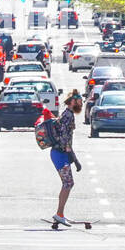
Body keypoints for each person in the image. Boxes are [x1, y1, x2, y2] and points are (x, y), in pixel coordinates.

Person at [45, 89, 84, 227]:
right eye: (79, 99)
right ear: (73, 101)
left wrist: (73, 158)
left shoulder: (68, 114)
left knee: (67, 183)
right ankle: (59, 214)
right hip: (59, 154)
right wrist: (72, 156)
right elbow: (64, 136)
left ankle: (60, 214)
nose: (81, 102)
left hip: (61, 153)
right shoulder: (68, 115)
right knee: (68, 183)